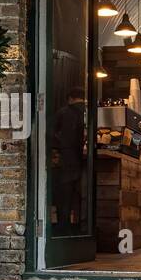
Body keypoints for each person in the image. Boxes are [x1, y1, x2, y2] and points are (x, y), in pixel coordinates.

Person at [50, 87, 87, 234]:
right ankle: (81, 230)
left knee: (63, 198)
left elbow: (50, 134)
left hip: (65, 160)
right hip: (81, 161)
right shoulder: (88, 112)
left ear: (70, 98)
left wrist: (59, 147)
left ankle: (63, 230)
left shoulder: (63, 113)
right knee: (80, 198)